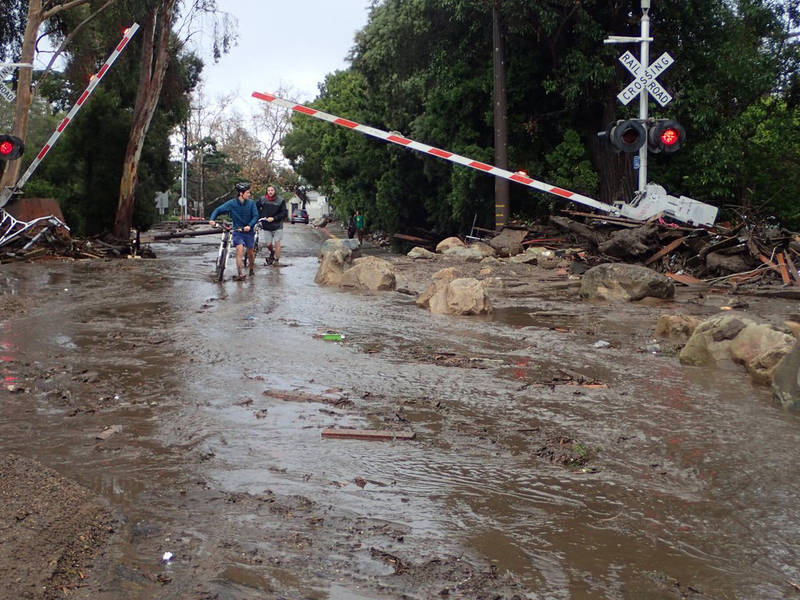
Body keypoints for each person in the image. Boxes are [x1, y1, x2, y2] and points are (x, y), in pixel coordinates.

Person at [208, 182, 259, 280]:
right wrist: (212, 219)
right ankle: (240, 274)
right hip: (238, 231)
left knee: (250, 253)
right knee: (239, 250)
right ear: (241, 193)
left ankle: (251, 268)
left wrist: (250, 225)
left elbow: (256, 216)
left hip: (249, 232)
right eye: (248, 193)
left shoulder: (252, 203)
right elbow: (218, 210)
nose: (249, 195)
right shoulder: (232, 203)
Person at [256, 184, 288, 265]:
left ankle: (276, 261)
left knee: (277, 242)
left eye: (272, 190)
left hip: (277, 225)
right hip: (266, 226)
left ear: (275, 191)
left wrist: (274, 218)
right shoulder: (262, 199)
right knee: (268, 244)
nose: (270, 192)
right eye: (268, 190)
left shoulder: (280, 200)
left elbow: (284, 213)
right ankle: (272, 252)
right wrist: (260, 216)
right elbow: (256, 207)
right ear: (267, 191)